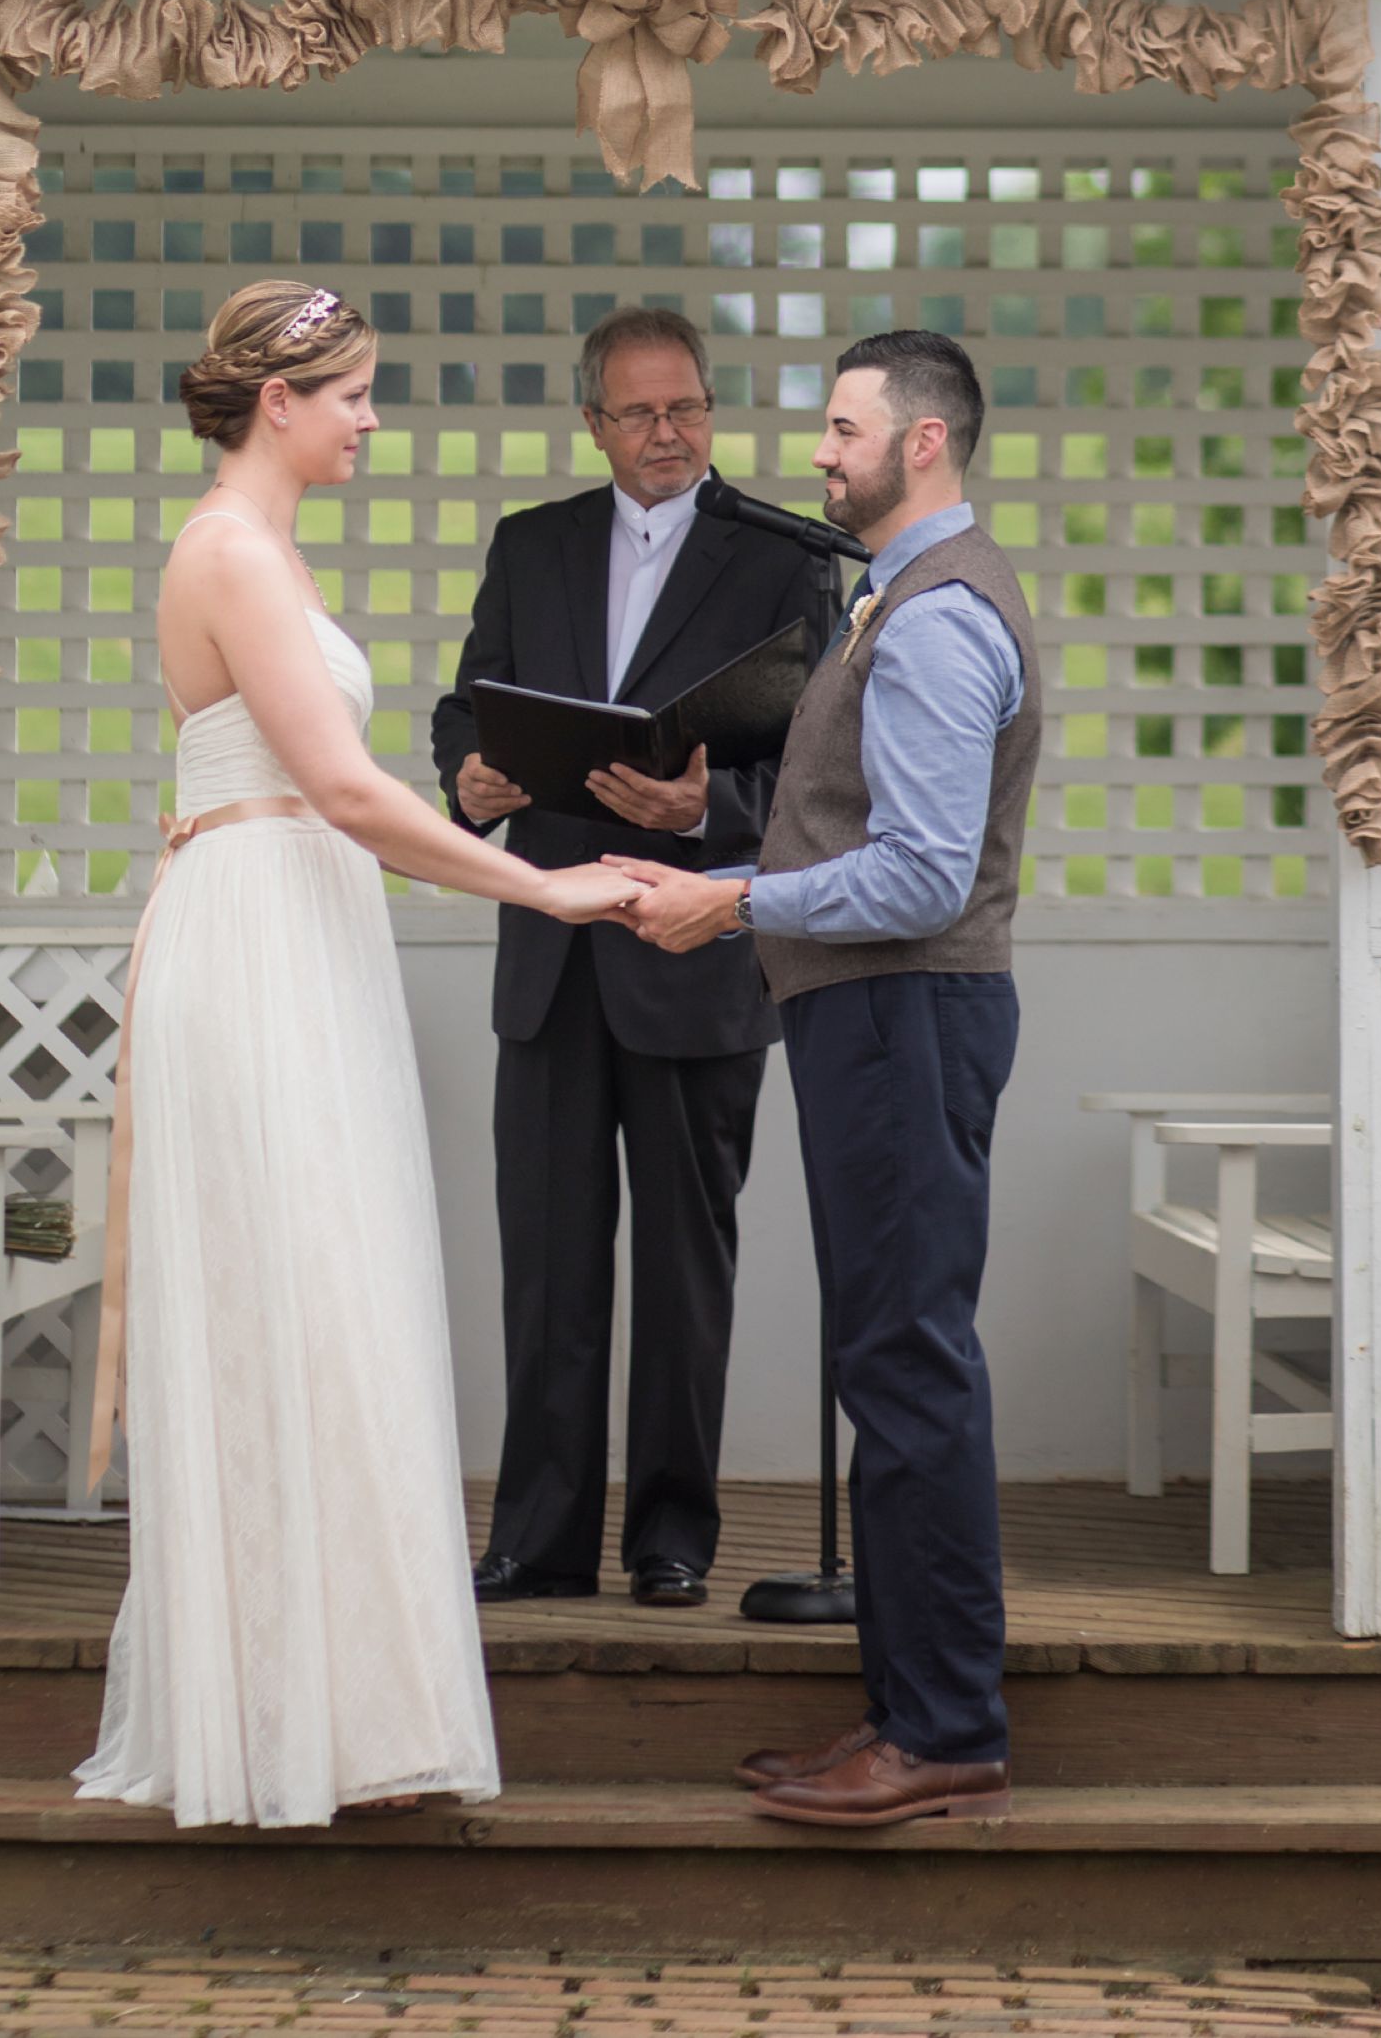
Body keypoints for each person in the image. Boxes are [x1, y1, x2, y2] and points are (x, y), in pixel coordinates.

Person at [73, 278, 634, 1831]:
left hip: (299, 936)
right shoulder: (229, 551)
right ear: (280, 401)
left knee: (333, 1301)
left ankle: (338, 1703)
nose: (374, 421)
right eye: (356, 396)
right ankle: (266, 1721)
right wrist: (547, 887)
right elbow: (341, 787)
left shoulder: (269, 550)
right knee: (284, 1296)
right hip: (252, 939)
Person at [605, 329, 1037, 1828]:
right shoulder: (899, 605)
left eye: (846, 429)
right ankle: (905, 1713)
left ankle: (945, 1731)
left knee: (908, 1366)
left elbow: (918, 877)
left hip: (903, 1017)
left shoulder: (932, 622)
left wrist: (728, 899)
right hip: (878, 1021)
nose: (823, 452)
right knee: (892, 1359)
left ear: (922, 444)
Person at [432, 310, 822, 1609]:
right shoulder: (531, 545)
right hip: (550, 954)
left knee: (683, 1269)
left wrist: (702, 816)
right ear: (593, 423)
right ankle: (537, 1540)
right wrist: (470, 776)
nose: (669, 435)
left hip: (694, 952)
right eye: (641, 414)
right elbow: (469, 699)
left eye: (689, 410)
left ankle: (669, 1541)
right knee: (547, 1265)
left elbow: (812, 767)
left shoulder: (780, 558)